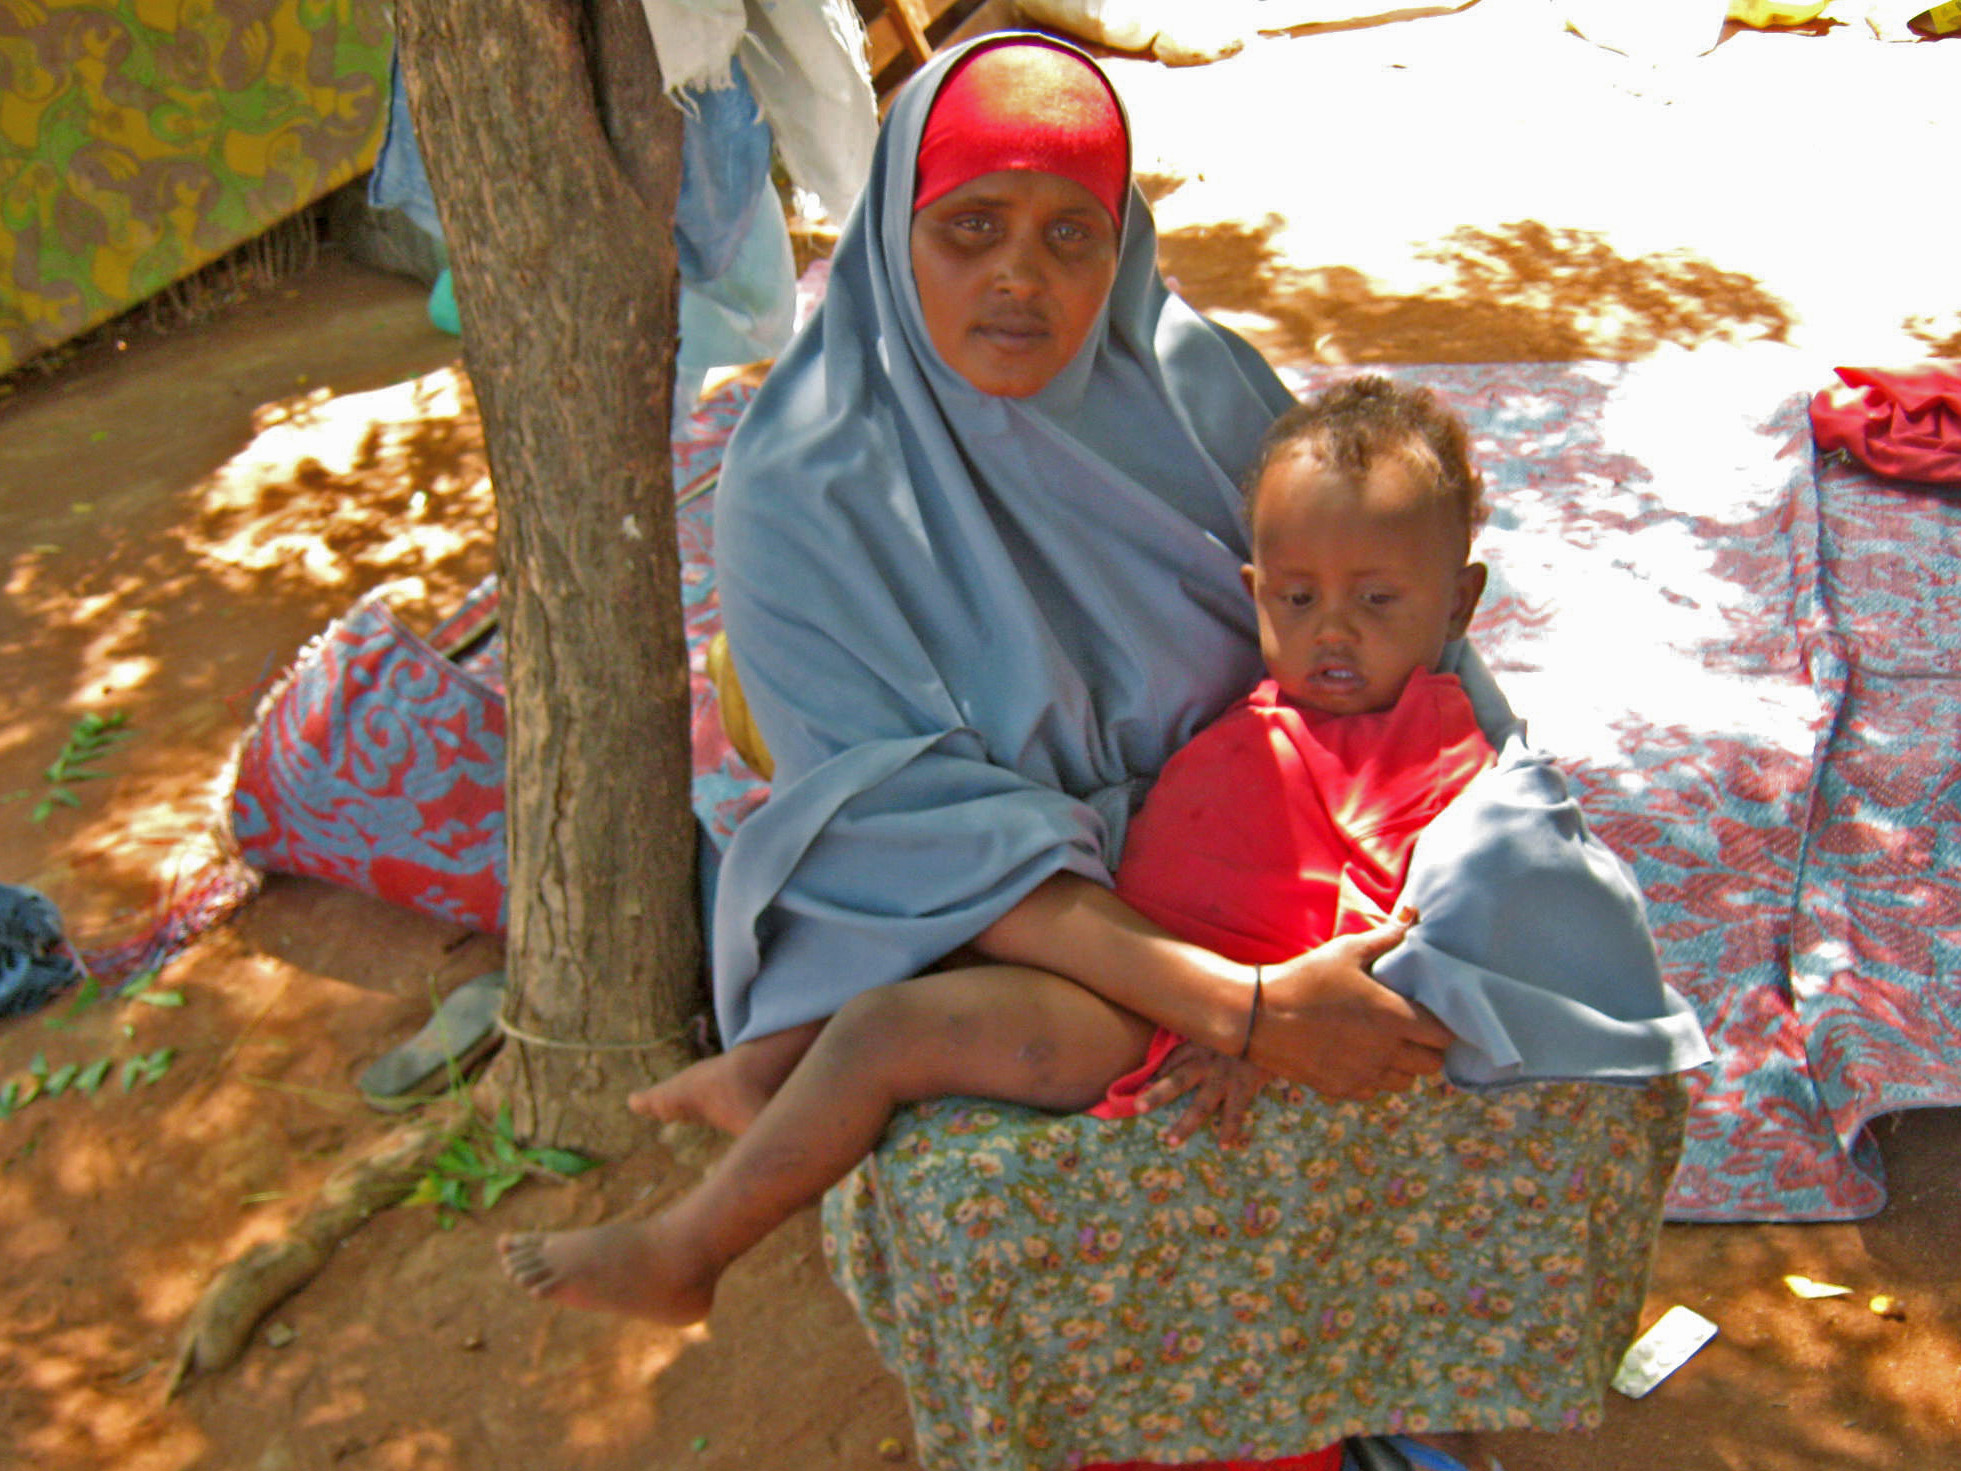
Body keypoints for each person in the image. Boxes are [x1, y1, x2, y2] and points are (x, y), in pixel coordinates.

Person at [502, 32, 1704, 1467]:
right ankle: (791, 1136)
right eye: (970, 230)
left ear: (1123, 240)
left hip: (1260, 858)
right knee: (960, 1092)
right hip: (975, 904)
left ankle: (1348, 1372)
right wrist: (1240, 1004)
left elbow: (1407, 655)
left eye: (1072, 233)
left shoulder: (1195, 389)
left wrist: (1471, 875)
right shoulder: (807, 475)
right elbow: (918, 834)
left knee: (1538, 999)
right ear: (896, 233)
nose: (1022, 276)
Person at [499, 373, 1495, 1322]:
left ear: (1455, 603)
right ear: (1252, 589)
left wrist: (1250, 1041)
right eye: (1296, 598)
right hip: (1145, 954)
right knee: (925, 911)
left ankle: (686, 1254)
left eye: (1375, 602)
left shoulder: (1420, 740)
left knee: (887, 1030)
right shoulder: (1281, 696)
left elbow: (1388, 921)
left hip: (1156, 1021)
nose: (1331, 632)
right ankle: (767, 1068)